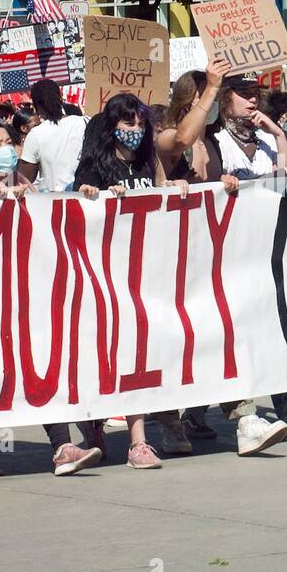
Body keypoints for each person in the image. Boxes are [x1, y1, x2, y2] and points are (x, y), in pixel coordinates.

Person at [0, 120, 104, 476]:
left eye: (10, 141)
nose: (8, 149)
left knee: (40, 365)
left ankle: (62, 446)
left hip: (27, 297)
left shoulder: (26, 186)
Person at [186, 72, 287, 448]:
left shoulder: (264, 138)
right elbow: (207, 182)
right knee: (233, 336)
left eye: (254, 94)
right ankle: (203, 415)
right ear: (224, 99)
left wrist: (278, 135)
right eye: (243, 95)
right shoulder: (213, 139)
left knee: (273, 332)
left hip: (268, 252)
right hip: (227, 255)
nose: (251, 101)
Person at [73, 94, 191, 467]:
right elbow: (78, 201)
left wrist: (175, 187)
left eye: (140, 125)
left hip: (147, 275)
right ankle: (97, 432)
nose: (136, 132)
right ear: (113, 127)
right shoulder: (95, 163)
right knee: (110, 357)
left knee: (141, 355)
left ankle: (139, 441)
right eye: (128, 125)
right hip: (107, 278)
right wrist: (95, 196)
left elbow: (160, 188)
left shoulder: (147, 159)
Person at [18, 78, 89, 191]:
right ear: (60, 98)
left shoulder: (36, 134)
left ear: (36, 106)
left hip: (56, 202)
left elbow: (25, 178)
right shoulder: (86, 122)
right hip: (90, 197)